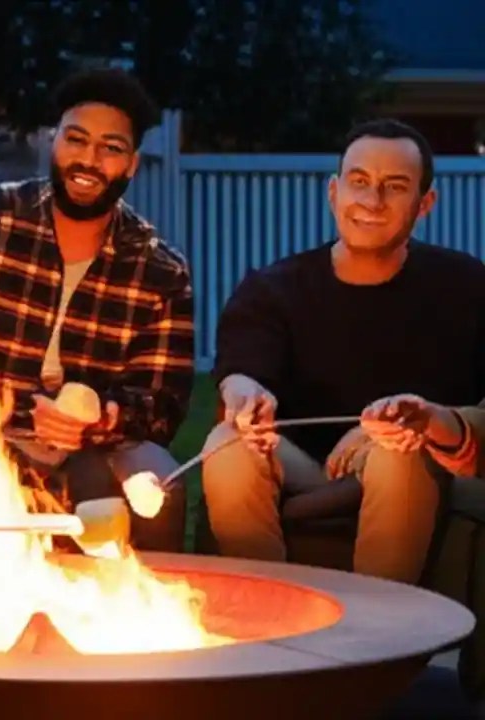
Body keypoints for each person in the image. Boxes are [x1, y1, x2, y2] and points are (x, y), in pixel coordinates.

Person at [0, 68, 194, 552]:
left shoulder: (159, 269)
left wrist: (104, 417)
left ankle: (146, 612)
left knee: (159, 477)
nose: (88, 160)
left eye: (110, 148)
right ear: (53, 141)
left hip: (91, 447)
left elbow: (163, 404)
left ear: (131, 165)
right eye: (76, 139)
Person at [201, 118, 485, 584]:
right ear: (334, 192)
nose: (372, 202)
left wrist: (408, 425)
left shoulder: (467, 287)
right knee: (226, 444)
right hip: (302, 466)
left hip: (410, 465)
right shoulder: (273, 289)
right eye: (359, 183)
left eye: (394, 187)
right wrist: (243, 393)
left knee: (397, 454)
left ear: (425, 203)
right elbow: (241, 370)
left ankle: (375, 638)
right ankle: (267, 622)